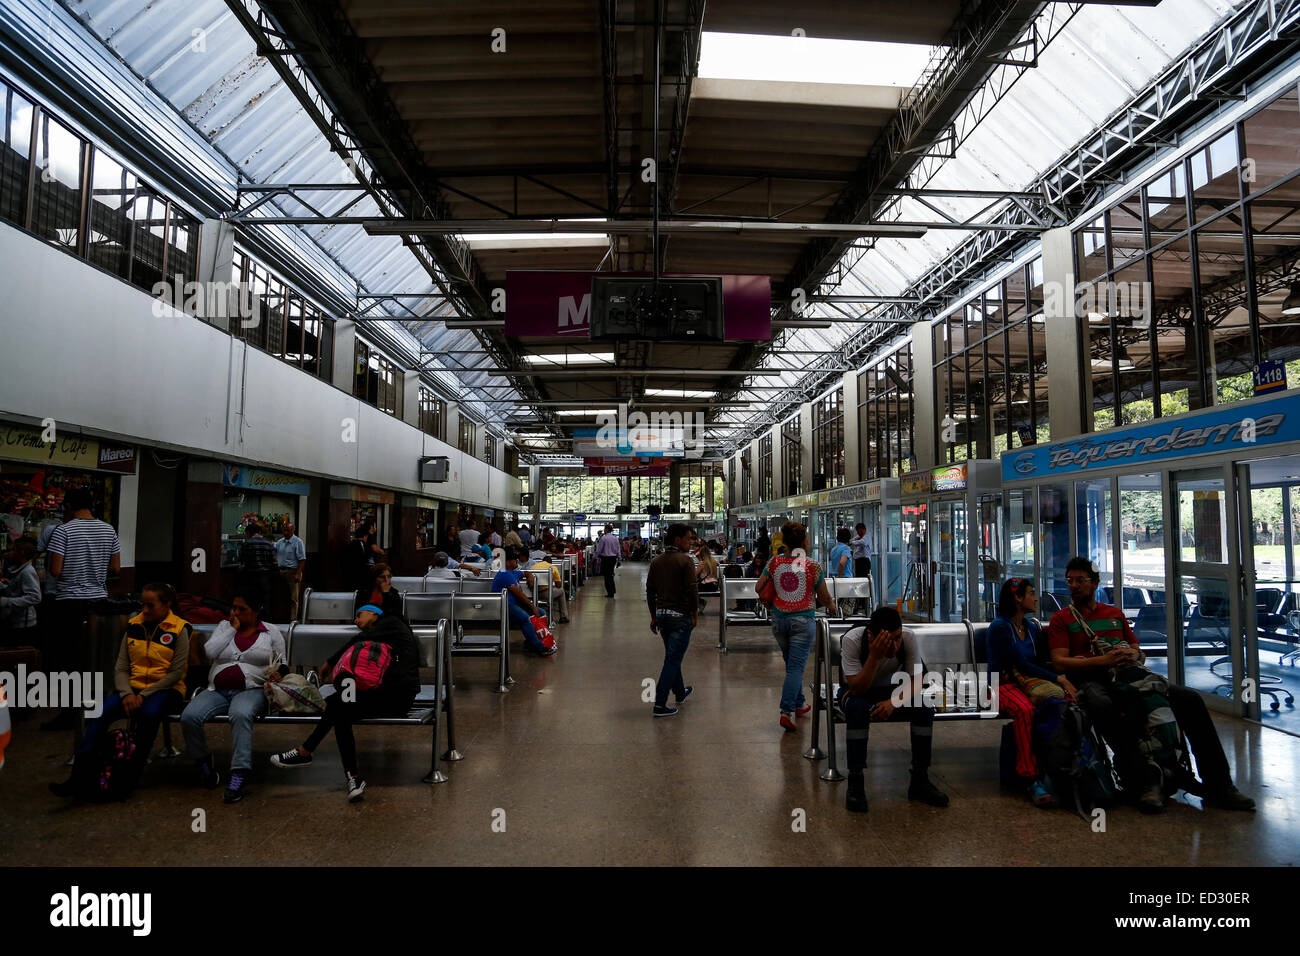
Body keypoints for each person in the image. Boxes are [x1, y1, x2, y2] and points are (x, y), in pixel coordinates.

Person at [1048, 557, 1254, 814]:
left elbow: (1137, 649)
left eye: (1081, 580)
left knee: (1190, 700)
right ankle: (1145, 780)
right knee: (1107, 705)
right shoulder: (1062, 619)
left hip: (1131, 675)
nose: (1074, 586)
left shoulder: (1114, 614)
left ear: (1095, 583)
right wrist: (1102, 659)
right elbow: (1059, 662)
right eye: (1070, 581)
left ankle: (1220, 785)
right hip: (1093, 679)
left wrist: (1134, 655)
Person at [49, 583, 189, 799]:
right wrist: (127, 693)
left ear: (166, 605)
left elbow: (176, 673)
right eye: (143, 604)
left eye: (150, 605)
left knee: (148, 716)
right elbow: (121, 667)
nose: (144, 610)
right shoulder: (134, 625)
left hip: (165, 689)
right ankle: (79, 778)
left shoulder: (180, 629)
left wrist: (142, 695)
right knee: (99, 714)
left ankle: (125, 781)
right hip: (132, 688)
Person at [270, 602, 420, 801]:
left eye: (360, 615)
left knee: (338, 706)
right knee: (339, 707)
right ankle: (351, 777)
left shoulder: (390, 622)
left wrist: (330, 662)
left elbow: (360, 638)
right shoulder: (384, 632)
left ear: (375, 614)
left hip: (398, 698)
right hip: (381, 694)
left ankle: (307, 752)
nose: (357, 621)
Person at [838, 605, 949, 812]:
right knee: (857, 708)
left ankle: (920, 778)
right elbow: (857, 687)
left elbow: (918, 681)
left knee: (924, 705)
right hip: (857, 690)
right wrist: (874, 656)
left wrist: (894, 703)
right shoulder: (852, 640)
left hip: (891, 691)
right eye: (889, 640)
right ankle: (855, 781)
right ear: (872, 635)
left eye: (897, 638)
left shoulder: (907, 637)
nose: (895, 646)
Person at [181, 591, 286, 803]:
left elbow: (282, 662)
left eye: (242, 609)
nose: (235, 612)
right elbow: (210, 651)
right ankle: (203, 762)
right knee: (189, 716)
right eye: (234, 607)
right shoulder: (224, 626)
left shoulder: (271, 632)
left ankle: (239, 773)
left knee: (240, 714)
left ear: (256, 611)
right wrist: (233, 629)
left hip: (252, 689)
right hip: (217, 690)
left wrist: (277, 674)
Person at [987, 578, 1076, 808]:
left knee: (1063, 704)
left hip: (1027, 683)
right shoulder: (1000, 628)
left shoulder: (1031, 628)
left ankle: (1060, 765)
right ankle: (1030, 777)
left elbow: (1040, 662)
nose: (1035, 598)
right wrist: (1058, 679)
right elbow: (1021, 664)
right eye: (1031, 593)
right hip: (1001, 685)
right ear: (1018, 598)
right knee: (1024, 710)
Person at [43, 487, 120, 730]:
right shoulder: (108, 529)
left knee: (68, 659)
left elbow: (55, 571)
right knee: (97, 656)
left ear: (68, 506)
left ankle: (70, 714)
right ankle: (98, 709)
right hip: (100, 602)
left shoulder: (62, 531)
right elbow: (116, 568)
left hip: (69, 602)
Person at [755, 522, 836, 732]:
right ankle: (786, 710)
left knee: (792, 665)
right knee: (795, 667)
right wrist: (833, 606)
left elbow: (758, 586)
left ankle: (799, 704)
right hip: (802, 621)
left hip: (779, 621)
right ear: (803, 542)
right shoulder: (811, 565)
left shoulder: (775, 562)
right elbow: (824, 596)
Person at [646, 523, 698, 718]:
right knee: (673, 659)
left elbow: (650, 590)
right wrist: (694, 613)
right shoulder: (685, 561)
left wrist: (653, 615)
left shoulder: (656, 561)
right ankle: (659, 704)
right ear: (677, 540)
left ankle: (680, 691)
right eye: (688, 539)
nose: (691, 543)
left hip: (662, 616)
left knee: (672, 655)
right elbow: (692, 590)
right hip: (680, 617)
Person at [492, 547, 555, 657]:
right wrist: (532, 606)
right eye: (515, 560)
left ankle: (532, 640)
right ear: (508, 562)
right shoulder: (504, 574)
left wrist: (530, 576)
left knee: (542, 613)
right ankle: (539, 647)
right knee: (525, 618)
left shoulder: (513, 572)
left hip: (514, 604)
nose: (517, 562)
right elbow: (519, 594)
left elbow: (525, 573)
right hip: (504, 605)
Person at [1, 537, 41, 648]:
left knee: (21, 659)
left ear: (22, 553)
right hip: (14, 621)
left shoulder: (27, 572)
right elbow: (15, 590)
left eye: (13, 550)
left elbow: (34, 597)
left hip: (24, 625)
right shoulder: (18, 569)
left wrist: (4, 601)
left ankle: (21, 667)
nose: (11, 553)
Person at [237, 523, 277, 615]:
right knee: (265, 601)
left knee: (252, 602)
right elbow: (273, 561)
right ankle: (266, 622)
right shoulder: (269, 544)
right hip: (265, 577)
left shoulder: (247, 544)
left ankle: (253, 622)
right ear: (258, 532)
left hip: (251, 577)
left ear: (249, 532)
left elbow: (242, 560)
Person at [275, 520, 307, 623]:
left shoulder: (298, 542)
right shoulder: (280, 542)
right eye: (284, 530)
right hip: (281, 572)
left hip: (293, 572)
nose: (285, 533)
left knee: (294, 598)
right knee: (282, 596)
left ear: (293, 530)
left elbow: (302, 559)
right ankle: (282, 617)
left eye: (288, 530)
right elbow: (276, 554)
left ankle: (293, 619)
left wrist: (298, 574)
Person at [526, 552, 571, 624]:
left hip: (533, 593)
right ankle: (563, 616)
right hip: (546, 593)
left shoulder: (533, 567)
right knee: (561, 591)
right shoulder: (552, 567)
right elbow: (559, 585)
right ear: (550, 562)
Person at [596, 525, 621, 598]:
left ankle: (610, 592)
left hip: (606, 559)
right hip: (613, 559)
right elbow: (618, 549)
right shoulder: (615, 538)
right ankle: (611, 592)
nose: (604, 530)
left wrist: (595, 557)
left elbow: (599, 549)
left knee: (607, 576)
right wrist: (619, 559)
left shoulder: (603, 538)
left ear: (606, 529)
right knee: (610, 575)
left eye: (604, 529)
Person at [695, 546, 719, 614]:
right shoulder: (714, 562)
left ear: (701, 554)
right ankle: (701, 602)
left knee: (691, 589)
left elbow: (695, 575)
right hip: (714, 586)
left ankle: (700, 602)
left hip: (705, 585)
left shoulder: (702, 563)